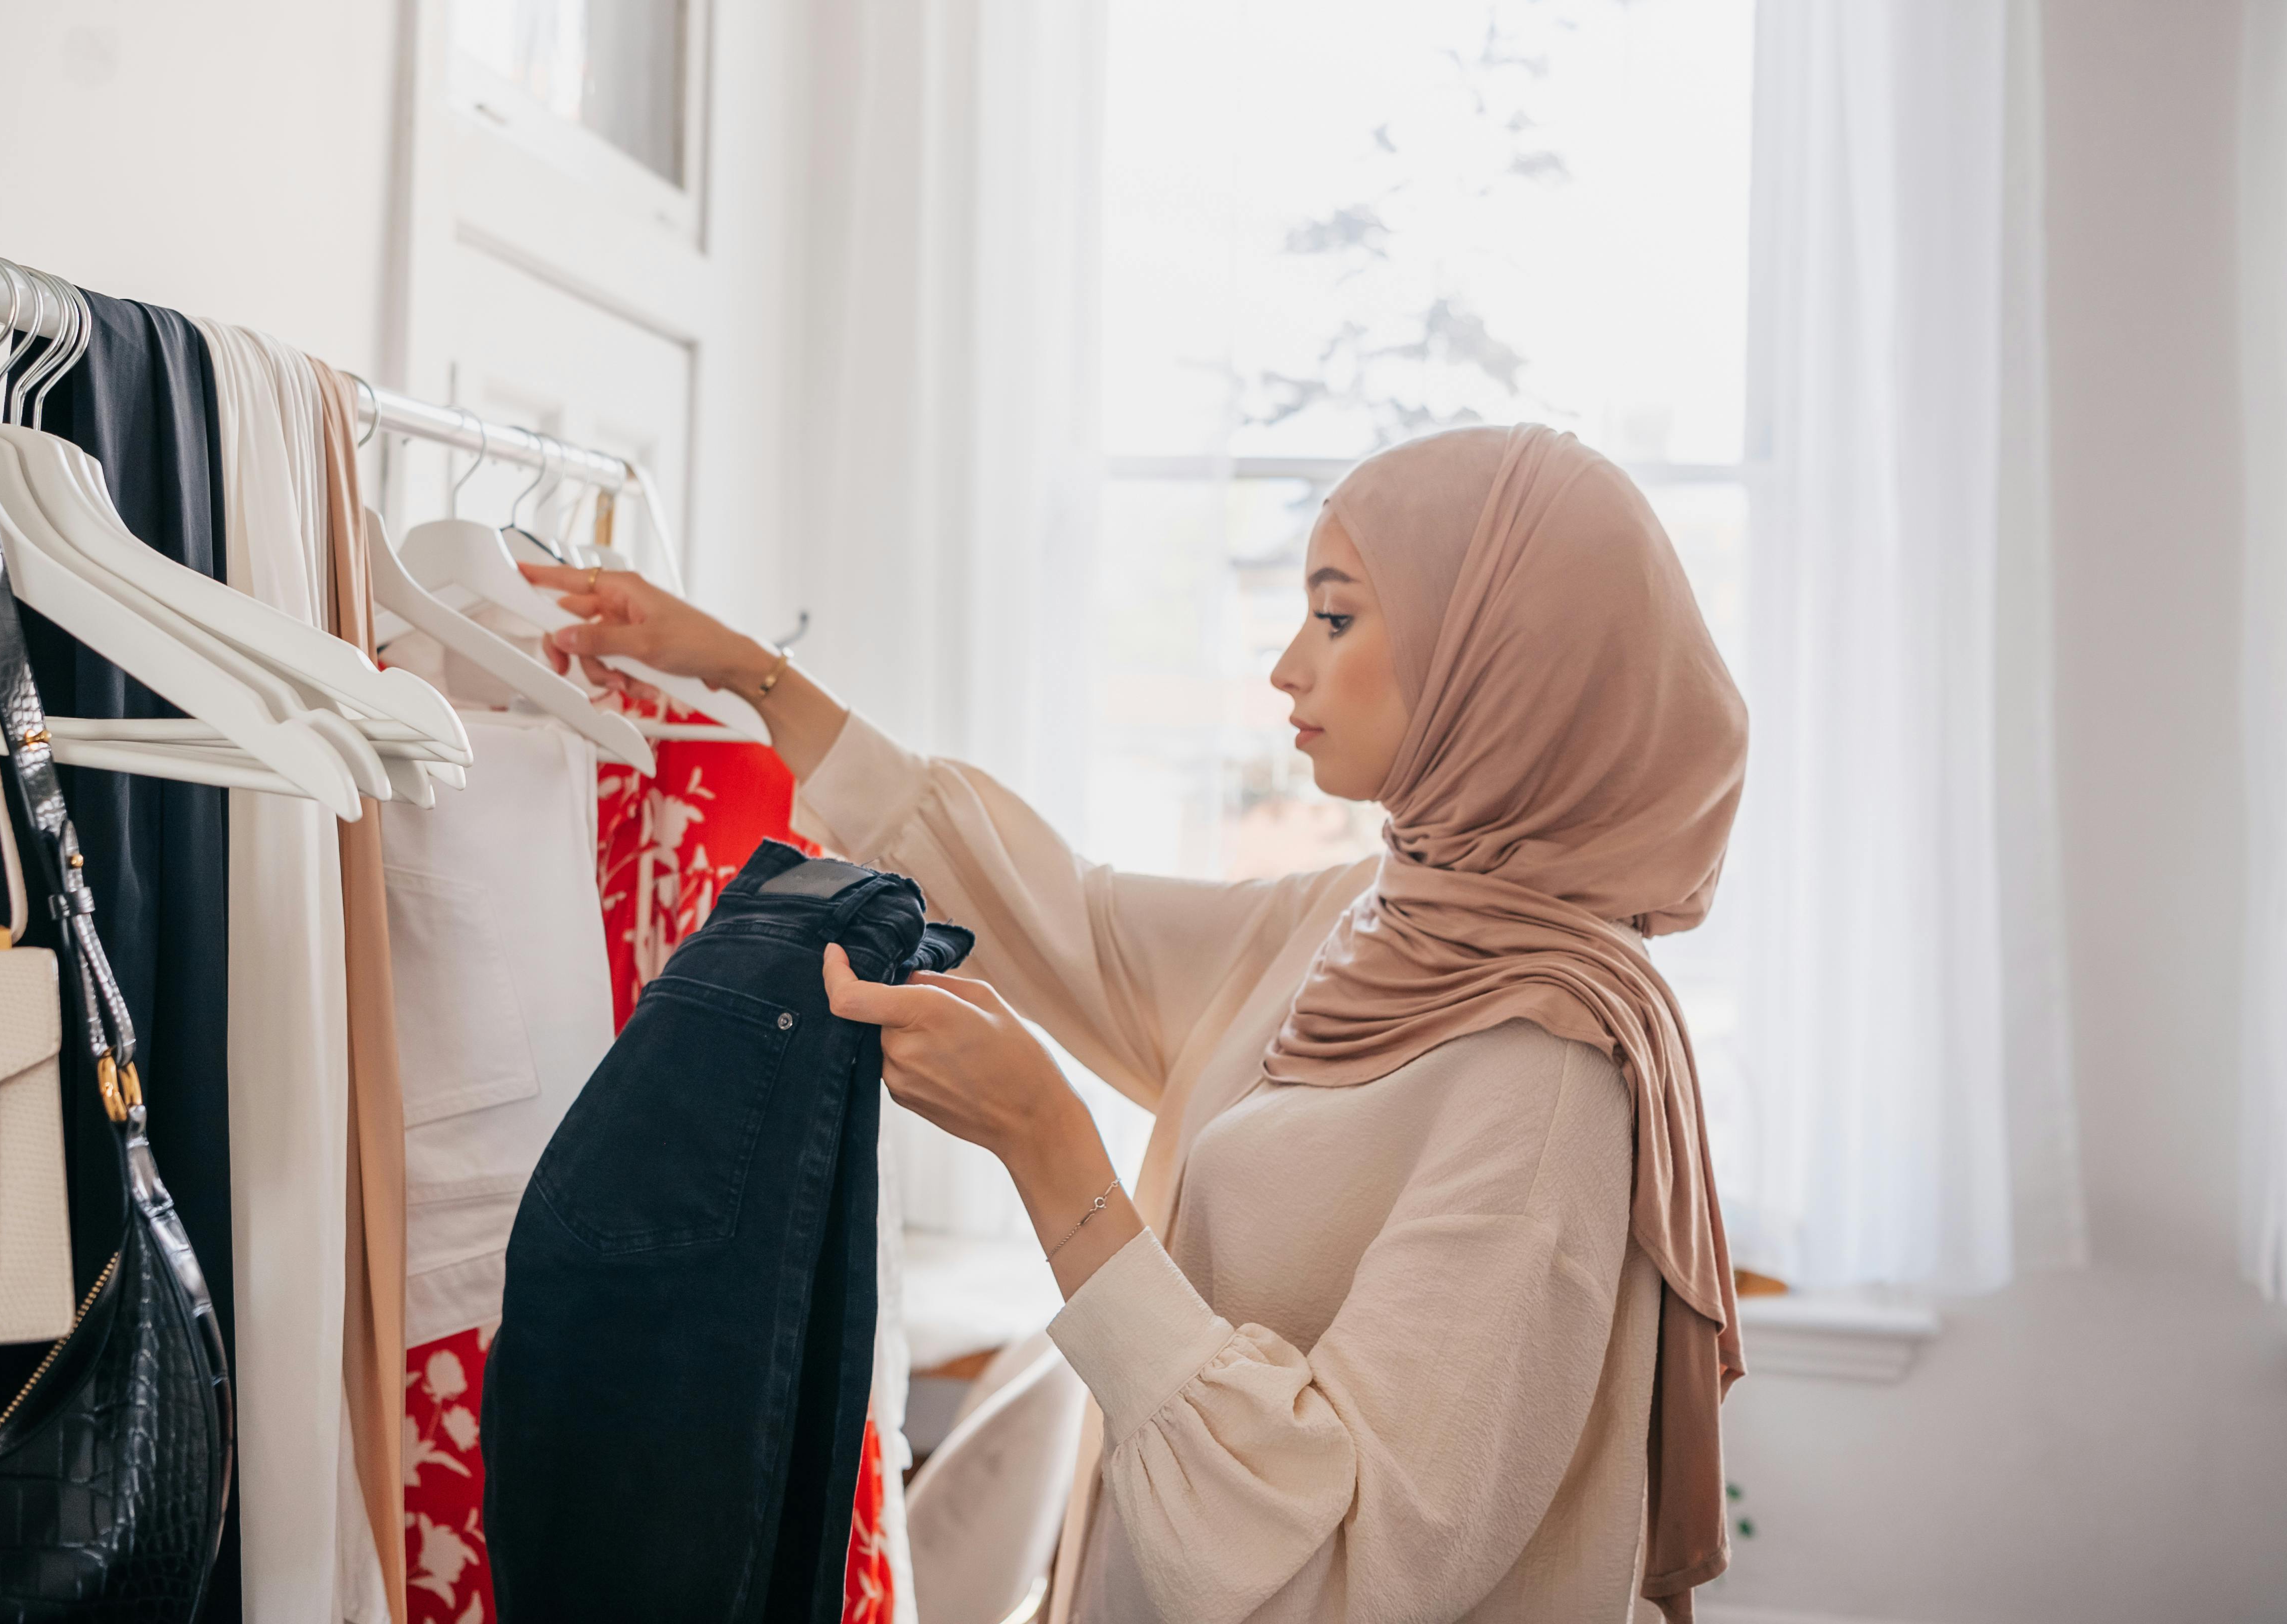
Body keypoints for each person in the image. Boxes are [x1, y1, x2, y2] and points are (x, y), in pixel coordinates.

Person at [523, 423, 1751, 1624]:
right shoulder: (1367, 919)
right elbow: (1072, 923)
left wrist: (1051, 1152)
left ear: (1499, 663)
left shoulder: (1546, 1073)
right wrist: (751, 672)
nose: (1286, 665)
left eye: (1334, 615)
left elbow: (1345, 1572)